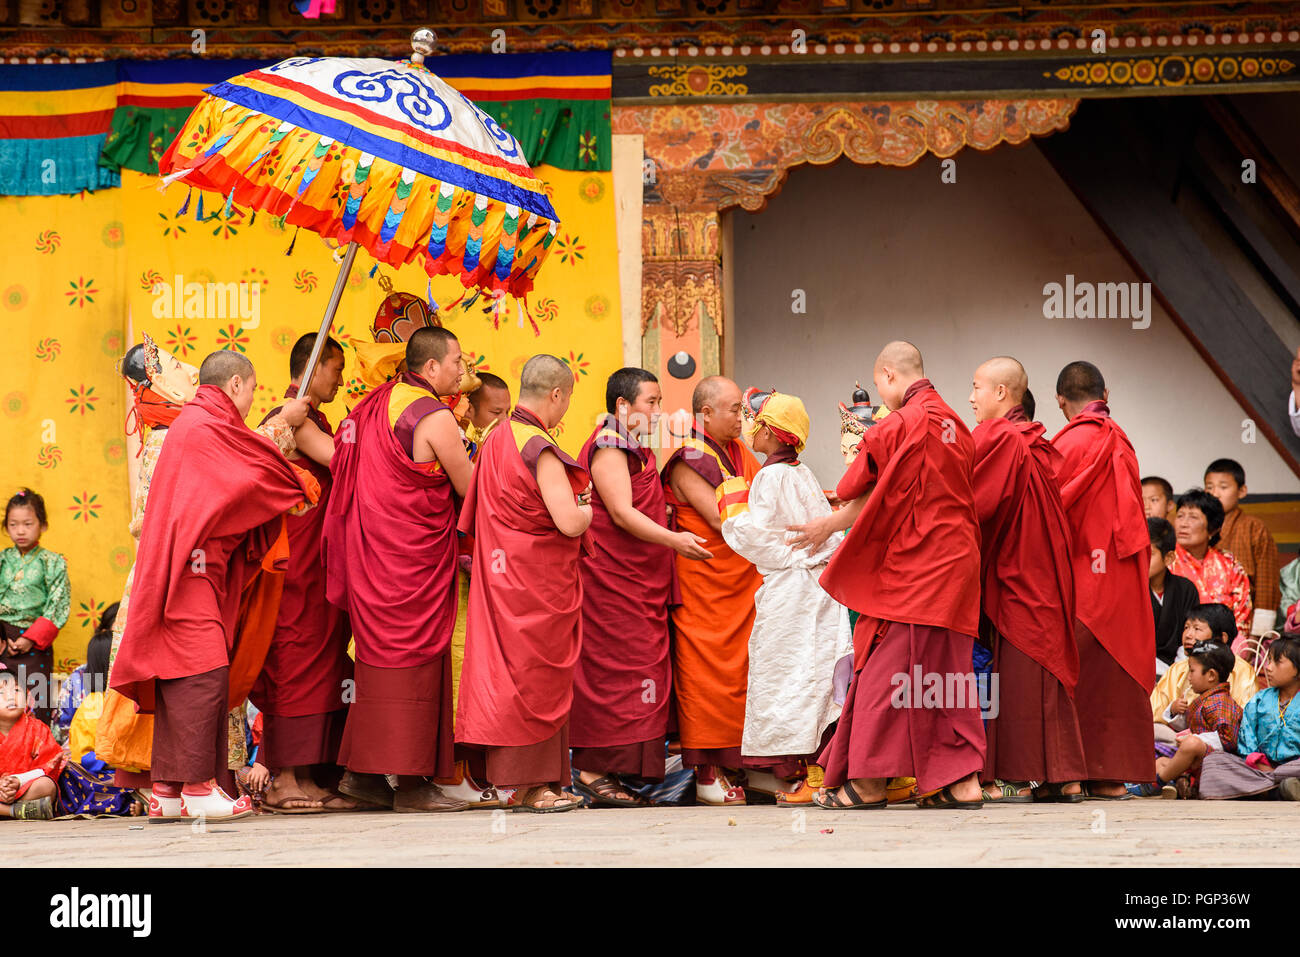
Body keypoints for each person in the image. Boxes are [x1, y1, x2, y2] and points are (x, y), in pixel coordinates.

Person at [110, 350, 318, 823]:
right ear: (237, 385)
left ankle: (165, 791)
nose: (250, 400)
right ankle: (200, 787)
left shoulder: (197, 421)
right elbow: (250, 474)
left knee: (179, 675)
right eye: (251, 390)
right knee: (202, 674)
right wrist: (297, 484)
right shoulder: (205, 425)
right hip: (189, 571)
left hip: (190, 567)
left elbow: (236, 475)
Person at [789, 341, 985, 810]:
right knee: (945, 672)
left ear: (888, 375)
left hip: (918, 566)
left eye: (879, 384)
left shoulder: (899, 424)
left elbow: (859, 484)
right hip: (958, 562)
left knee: (885, 669)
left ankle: (871, 782)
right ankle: (960, 784)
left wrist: (826, 522)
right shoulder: (958, 424)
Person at [325, 327, 474, 813]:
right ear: (431, 368)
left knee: (378, 669)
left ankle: (364, 778)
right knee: (418, 667)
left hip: (374, 557)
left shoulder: (375, 405)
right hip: (415, 564)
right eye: (456, 361)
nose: (462, 368)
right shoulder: (433, 416)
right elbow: (470, 489)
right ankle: (411, 784)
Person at [456, 354, 592, 813]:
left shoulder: (496, 437)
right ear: (556, 394)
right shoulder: (539, 446)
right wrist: (589, 508)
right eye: (567, 400)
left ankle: (538, 782)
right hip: (537, 586)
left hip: (501, 580)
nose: (566, 411)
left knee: (510, 676)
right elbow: (569, 522)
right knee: (537, 680)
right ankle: (535, 786)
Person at [571, 368, 706, 807]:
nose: (658, 411)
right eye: (650, 402)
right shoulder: (609, 446)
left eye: (659, 401)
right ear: (621, 406)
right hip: (612, 583)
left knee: (642, 670)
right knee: (617, 671)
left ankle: (617, 769)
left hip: (640, 579)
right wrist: (676, 541)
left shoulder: (633, 445)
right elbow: (623, 514)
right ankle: (592, 769)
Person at [719, 390, 852, 804]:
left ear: (768, 432)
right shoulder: (801, 471)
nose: (745, 425)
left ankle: (814, 779)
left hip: (791, 589)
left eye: (750, 418)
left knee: (796, 680)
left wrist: (730, 513)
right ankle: (822, 774)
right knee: (820, 679)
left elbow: (756, 538)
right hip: (819, 586)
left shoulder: (769, 477)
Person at [967, 357, 1087, 803]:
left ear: (1001, 393)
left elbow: (972, 507)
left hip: (1015, 576)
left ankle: (1011, 774)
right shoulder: (1032, 440)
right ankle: (1065, 777)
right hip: (1047, 576)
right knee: (1046, 672)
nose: (971, 397)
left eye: (976, 386)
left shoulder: (999, 436)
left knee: (1020, 673)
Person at [251, 333, 358, 814]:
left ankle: (309, 775)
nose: (340, 378)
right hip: (291, 567)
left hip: (318, 566)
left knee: (322, 666)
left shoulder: (314, 417)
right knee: (291, 666)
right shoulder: (290, 418)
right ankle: (281, 779)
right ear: (313, 368)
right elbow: (342, 461)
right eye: (335, 369)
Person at [1051, 360, 1156, 798]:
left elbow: (1047, 510)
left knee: (1076, 673)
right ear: (1105, 394)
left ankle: (1072, 773)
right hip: (1122, 576)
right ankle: (1111, 777)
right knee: (1116, 671)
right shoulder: (1121, 442)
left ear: (1060, 401)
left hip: (1081, 576)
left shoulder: (1066, 443)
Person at [661, 375, 762, 805]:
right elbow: (725, 522)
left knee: (747, 671)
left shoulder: (739, 452)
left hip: (743, 581)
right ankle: (707, 772)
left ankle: (745, 763)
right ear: (704, 414)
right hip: (706, 585)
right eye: (734, 410)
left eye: (742, 409)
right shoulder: (688, 460)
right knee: (708, 674)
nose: (742, 418)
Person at [1199, 636, 1300, 800]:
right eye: (1268, 661)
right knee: (1214, 761)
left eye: (1277, 662)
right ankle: (1278, 788)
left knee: (1291, 770)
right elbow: (1247, 737)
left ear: (1297, 669)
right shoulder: (1259, 700)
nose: (1268, 668)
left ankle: (1268, 788)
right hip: (1259, 767)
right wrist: (1255, 760)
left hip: (1294, 767)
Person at [0, 489, 70, 726]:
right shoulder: (1, 560)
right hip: (1, 640)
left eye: (28, 524)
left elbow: (58, 604)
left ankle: (36, 755)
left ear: (43, 525)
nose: (20, 531)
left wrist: (31, 638)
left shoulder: (52, 562)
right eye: (13, 524)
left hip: (36, 644)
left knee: (36, 701)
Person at [1150, 604, 1257, 739]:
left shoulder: (1242, 672)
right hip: (1176, 738)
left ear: (1222, 639)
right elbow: (1154, 713)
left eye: (1197, 628)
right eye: (1186, 627)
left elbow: (1243, 725)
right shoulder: (1177, 669)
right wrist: (1172, 710)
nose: (1188, 635)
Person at [1150, 640, 1242, 796]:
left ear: (1211, 675)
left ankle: (1156, 784)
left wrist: (1194, 740)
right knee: (1160, 763)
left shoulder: (1221, 703)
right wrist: (1174, 711)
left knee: (1191, 744)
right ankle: (1174, 783)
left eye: (1192, 671)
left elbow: (1227, 740)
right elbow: (1190, 726)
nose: (1189, 676)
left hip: (1214, 764)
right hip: (1194, 762)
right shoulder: (1204, 699)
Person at [1169, 488, 1253, 643]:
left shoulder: (1229, 563)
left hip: (1224, 650)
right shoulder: (1166, 560)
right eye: (1180, 516)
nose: (1183, 524)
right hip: (1177, 649)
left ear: (1213, 529)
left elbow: (1242, 615)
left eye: (1193, 517)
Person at [1204, 458, 1280, 620]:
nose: (1214, 493)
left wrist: (1260, 629)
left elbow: (1267, 582)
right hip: (1202, 615)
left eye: (1223, 487)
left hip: (1244, 616)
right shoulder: (1198, 526)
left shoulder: (1254, 528)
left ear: (1242, 491)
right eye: (1209, 487)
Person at [0, 666, 64, 819]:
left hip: (24, 789)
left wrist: (18, 780)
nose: (10, 697)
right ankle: (13, 811)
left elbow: (48, 766)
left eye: (16, 690)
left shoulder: (37, 729)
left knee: (46, 785)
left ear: (27, 696)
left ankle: (15, 808)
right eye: (1, 692)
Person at [54, 604, 115, 745]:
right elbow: (62, 727)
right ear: (105, 633)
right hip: (79, 749)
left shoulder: (136, 676)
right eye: (118, 630)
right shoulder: (77, 678)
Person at [1148, 517, 1200, 673]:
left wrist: (1176, 671)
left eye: (1149, 554)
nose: (1141, 560)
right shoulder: (1128, 589)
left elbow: (1192, 634)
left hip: (1178, 667)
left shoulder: (1185, 590)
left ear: (1169, 557)